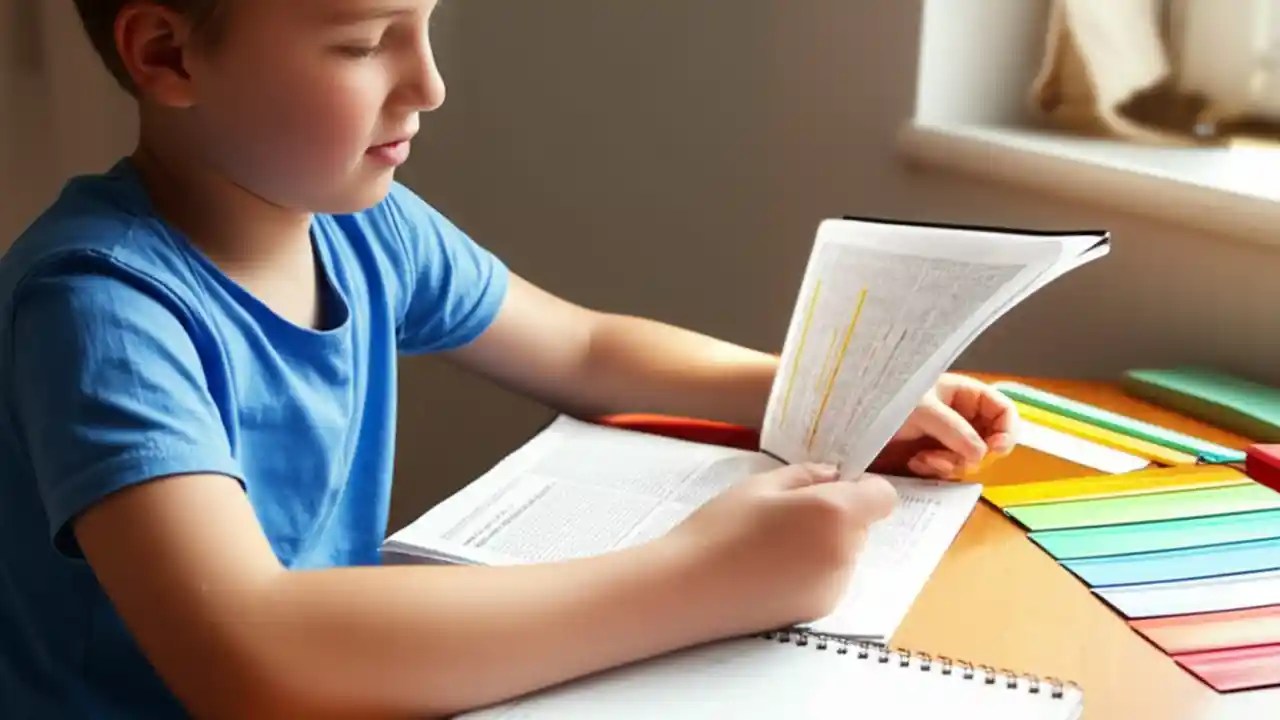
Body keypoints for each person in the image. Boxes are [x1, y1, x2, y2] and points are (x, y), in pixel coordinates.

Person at [0, 1, 1019, 716]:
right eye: (361, 43)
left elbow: (580, 344)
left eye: (427, 26)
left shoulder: (363, 227)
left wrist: (828, 398)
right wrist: (706, 575)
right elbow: (254, 659)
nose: (429, 84)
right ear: (168, 55)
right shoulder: (102, 311)